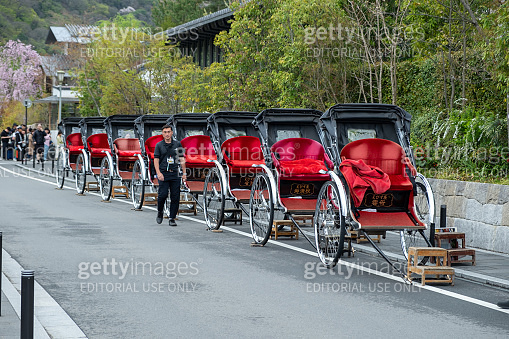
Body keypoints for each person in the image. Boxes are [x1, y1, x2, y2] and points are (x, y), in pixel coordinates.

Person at [153, 124, 186, 226]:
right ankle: (160, 211)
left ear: (172, 133)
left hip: (175, 173)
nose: (167, 134)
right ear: (162, 134)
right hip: (163, 173)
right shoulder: (159, 145)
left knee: (175, 196)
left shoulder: (178, 144)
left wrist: (184, 173)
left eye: (169, 132)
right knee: (162, 195)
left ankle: (172, 218)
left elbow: (181, 159)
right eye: (165, 132)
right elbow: (156, 160)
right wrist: (158, 173)